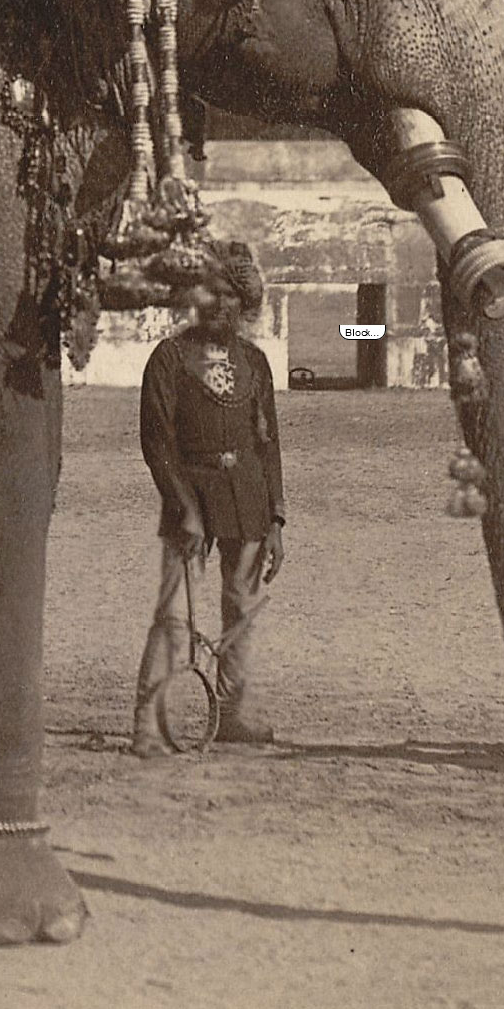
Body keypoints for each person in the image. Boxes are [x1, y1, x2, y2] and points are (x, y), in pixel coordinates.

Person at [134, 247, 285, 751]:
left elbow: (268, 444)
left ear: (245, 301)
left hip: (248, 499)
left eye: (231, 295)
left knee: (242, 612)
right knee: (175, 614)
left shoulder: (255, 362)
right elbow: (156, 443)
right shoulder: (169, 358)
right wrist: (185, 508)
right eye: (212, 293)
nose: (222, 303)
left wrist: (276, 518)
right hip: (188, 501)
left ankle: (230, 715)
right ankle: (149, 726)